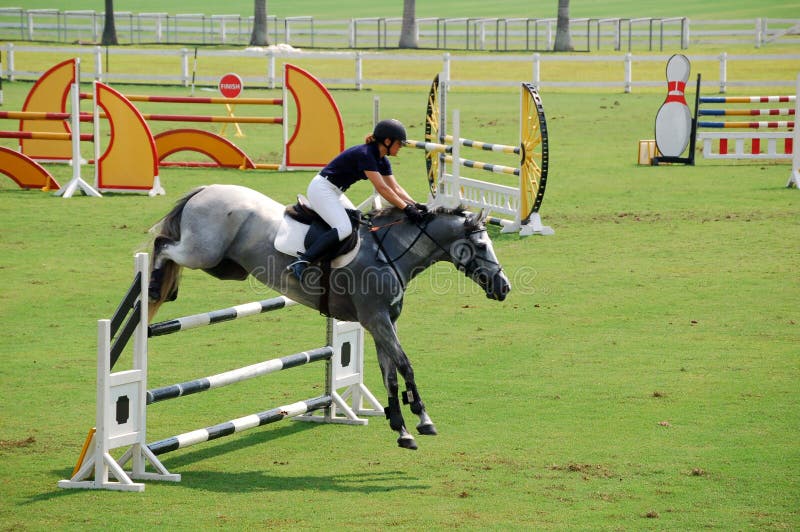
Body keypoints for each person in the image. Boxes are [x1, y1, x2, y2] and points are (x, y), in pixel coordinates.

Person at [287, 118, 427, 281]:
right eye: (399, 143)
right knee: (344, 228)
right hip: (321, 189)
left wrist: (415, 204)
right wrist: (406, 208)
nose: (401, 147)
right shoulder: (366, 154)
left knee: (356, 220)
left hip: (334, 192)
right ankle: (302, 261)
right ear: (387, 141)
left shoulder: (382, 160)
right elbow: (382, 189)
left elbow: (395, 188)